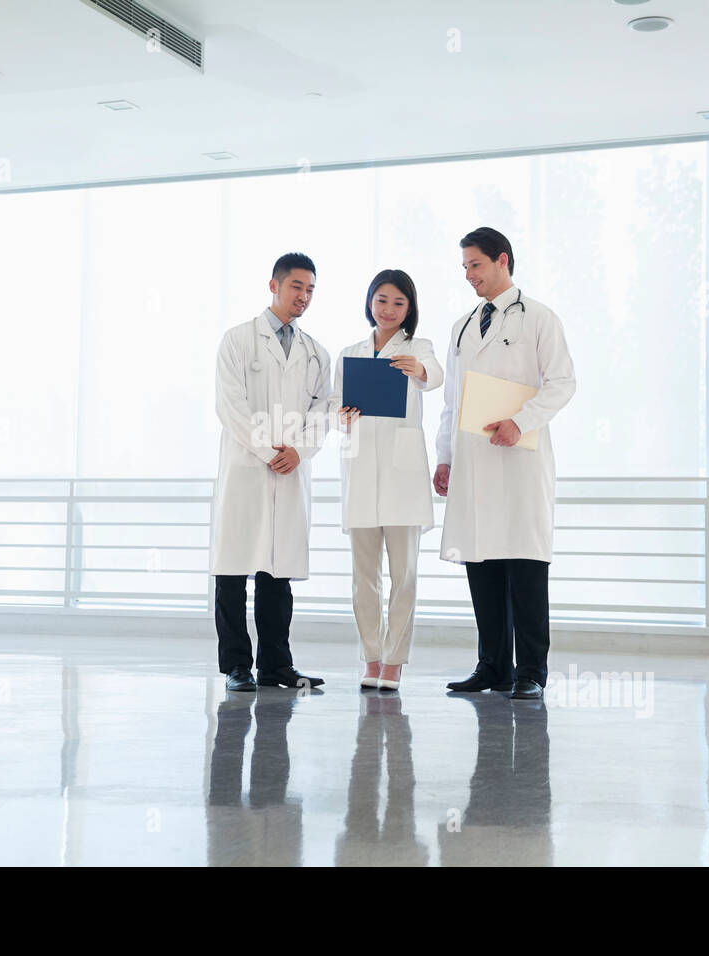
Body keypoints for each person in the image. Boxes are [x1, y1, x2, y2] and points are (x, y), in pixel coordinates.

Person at [434, 227, 576, 700]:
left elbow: (562, 383)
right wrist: (446, 457)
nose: (469, 275)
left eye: (475, 265)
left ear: (502, 261)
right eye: (464, 268)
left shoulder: (538, 318)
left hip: (520, 458)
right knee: (483, 564)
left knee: (525, 565)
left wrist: (521, 420)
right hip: (474, 461)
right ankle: (492, 666)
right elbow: (452, 401)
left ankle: (531, 671)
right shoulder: (461, 325)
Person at [209, 253, 332, 692]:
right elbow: (230, 406)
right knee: (233, 571)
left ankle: (277, 666)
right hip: (247, 469)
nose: (304, 296)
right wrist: (268, 450)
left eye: (311, 289)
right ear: (274, 286)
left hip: (290, 472)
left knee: (277, 577)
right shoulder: (239, 340)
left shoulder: (316, 352)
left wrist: (300, 450)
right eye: (297, 287)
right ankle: (237, 667)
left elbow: (324, 409)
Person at [330, 269, 443, 691]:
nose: (389, 309)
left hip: (402, 476)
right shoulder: (350, 352)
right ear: (369, 302)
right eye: (382, 300)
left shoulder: (419, 348)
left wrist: (418, 369)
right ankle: (372, 657)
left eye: (398, 302)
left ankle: (395, 661)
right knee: (363, 576)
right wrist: (340, 417)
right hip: (361, 473)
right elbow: (335, 406)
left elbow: (436, 377)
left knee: (404, 574)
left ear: (409, 308)